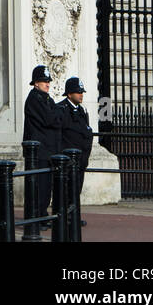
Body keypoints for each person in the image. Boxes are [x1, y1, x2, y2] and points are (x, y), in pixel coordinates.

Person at [23, 64, 64, 233]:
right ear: (35, 83)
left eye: (48, 81)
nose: (47, 84)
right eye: (43, 81)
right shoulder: (34, 99)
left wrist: (56, 116)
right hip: (38, 152)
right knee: (38, 186)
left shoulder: (48, 99)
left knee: (47, 187)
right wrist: (56, 115)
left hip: (49, 150)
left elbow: (58, 118)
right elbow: (50, 119)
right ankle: (35, 217)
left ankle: (42, 215)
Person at [58, 77, 93, 226]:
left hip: (80, 158)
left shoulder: (82, 110)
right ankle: (65, 218)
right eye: (78, 92)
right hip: (68, 158)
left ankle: (74, 217)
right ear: (69, 94)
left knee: (76, 189)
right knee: (67, 190)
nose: (81, 95)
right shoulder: (62, 109)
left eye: (82, 92)